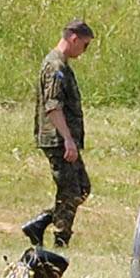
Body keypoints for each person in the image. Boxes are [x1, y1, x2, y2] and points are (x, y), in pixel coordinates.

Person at [23, 19, 94, 249]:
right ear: (74, 39)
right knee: (70, 190)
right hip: (57, 139)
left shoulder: (60, 65)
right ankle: (60, 241)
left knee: (81, 187)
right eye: (85, 45)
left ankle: (42, 222)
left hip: (62, 138)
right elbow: (53, 107)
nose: (84, 51)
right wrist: (67, 140)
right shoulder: (56, 67)